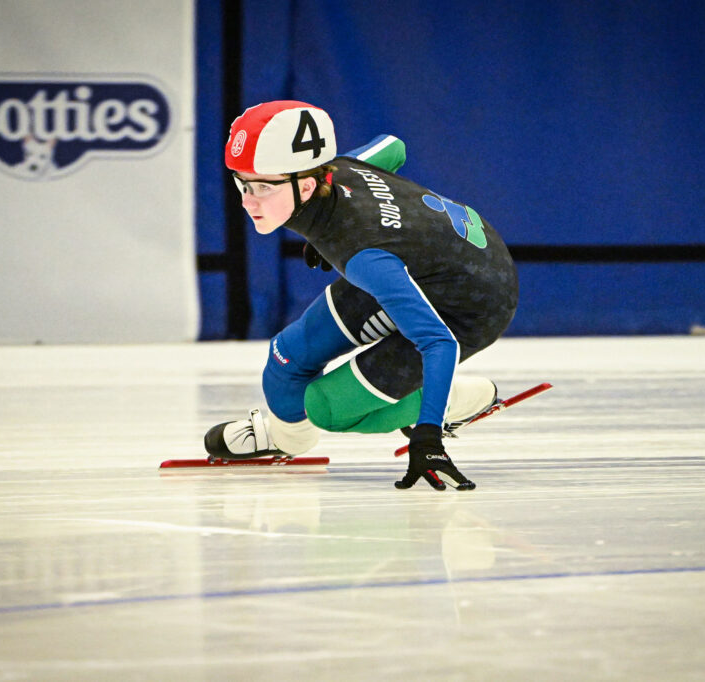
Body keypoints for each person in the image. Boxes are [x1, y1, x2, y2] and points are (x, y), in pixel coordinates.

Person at [205, 100, 519, 490]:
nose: (247, 201)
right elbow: (393, 146)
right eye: (242, 183)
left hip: (473, 303)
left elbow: (439, 342)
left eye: (263, 187)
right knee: (287, 356)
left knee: (327, 408)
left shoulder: (364, 254)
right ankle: (286, 438)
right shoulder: (338, 168)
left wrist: (429, 437)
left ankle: (451, 400)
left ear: (307, 186)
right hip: (422, 261)